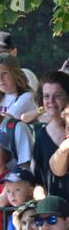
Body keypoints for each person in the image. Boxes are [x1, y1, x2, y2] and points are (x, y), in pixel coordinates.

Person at [31, 71, 69, 201]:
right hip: (56, 216)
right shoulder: (41, 135)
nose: (51, 101)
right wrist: (43, 203)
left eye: (57, 95)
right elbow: (37, 182)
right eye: (46, 96)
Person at [0, 53, 38, 121]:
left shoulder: (28, 96)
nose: (0, 79)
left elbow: (6, 120)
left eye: (4, 73)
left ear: (15, 73)